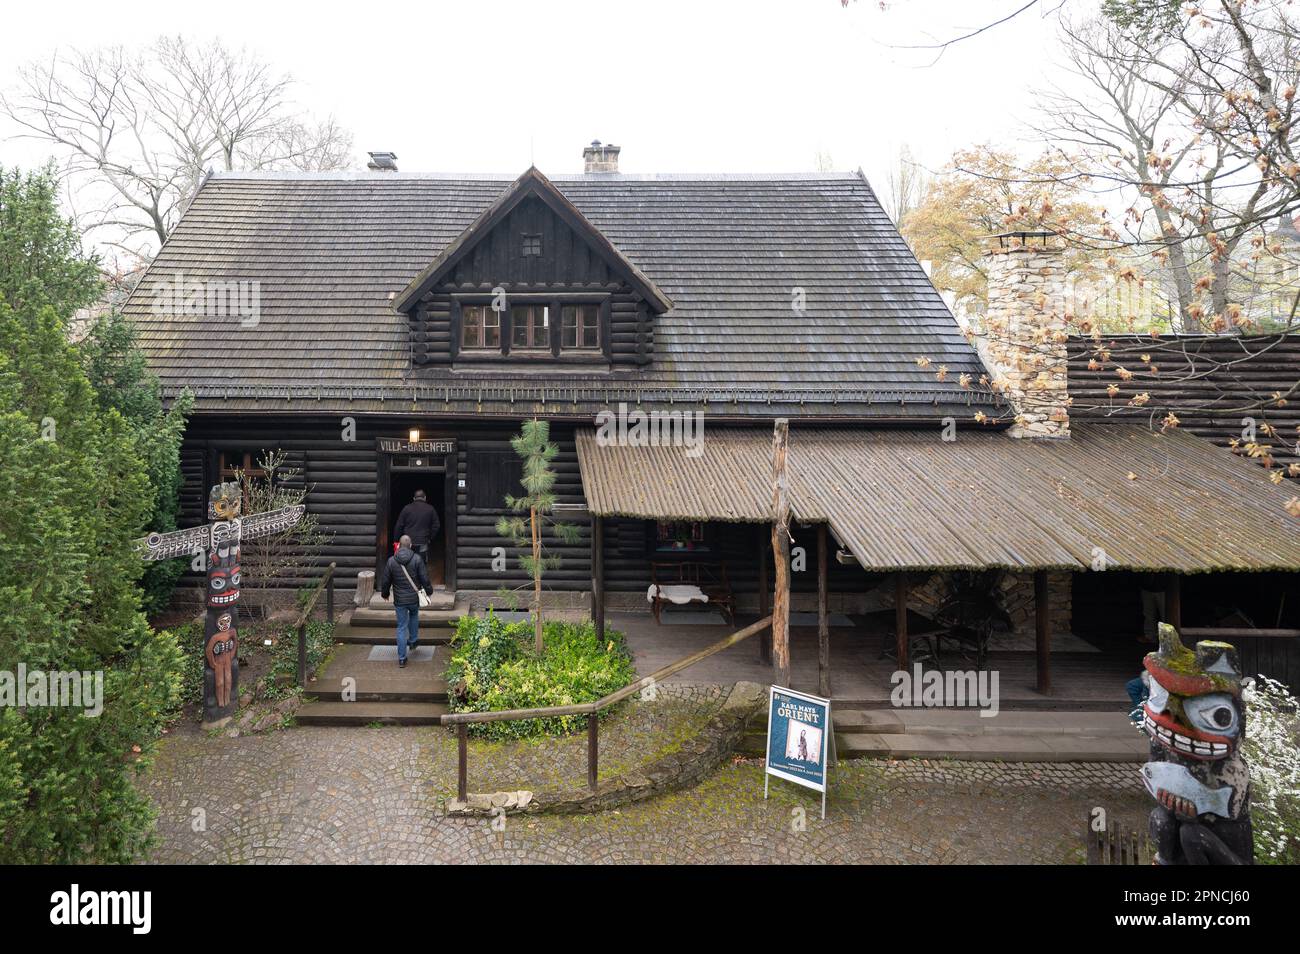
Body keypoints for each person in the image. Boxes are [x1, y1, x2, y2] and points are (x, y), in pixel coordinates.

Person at [380, 534, 433, 668]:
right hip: (414, 598)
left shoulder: (392, 561)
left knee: (401, 626)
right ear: (410, 545)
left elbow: (386, 580)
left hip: (400, 600)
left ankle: (402, 658)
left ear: (399, 545)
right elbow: (424, 578)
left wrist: (385, 594)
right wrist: (429, 591)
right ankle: (413, 641)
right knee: (414, 616)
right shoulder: (417, 559)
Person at [394, 489, 439, 560]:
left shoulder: (406, 508)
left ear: (414, 498)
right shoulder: (430, 509)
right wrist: (430, 537)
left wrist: (396, 540)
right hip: (423, 541)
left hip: (408, 542)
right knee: (421, 563)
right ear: (425, 498)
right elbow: (436, 526)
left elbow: (399, 526)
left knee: (407, 562)